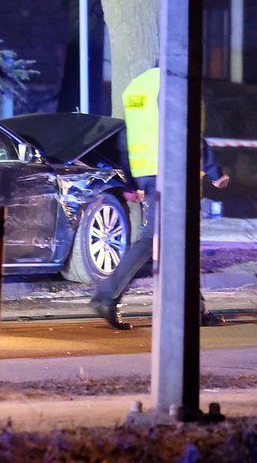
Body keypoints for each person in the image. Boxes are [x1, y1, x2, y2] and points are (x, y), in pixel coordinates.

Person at [89, 66, 229, 328]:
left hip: (146, 173)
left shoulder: (138, 85)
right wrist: (214, 171)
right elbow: (188, 131)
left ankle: (193, 309)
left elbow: (126, 137)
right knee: (153, 240)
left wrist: (130, 181)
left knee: (178, 242)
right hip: (172, 172)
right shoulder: (176, 82)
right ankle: (106, 296)